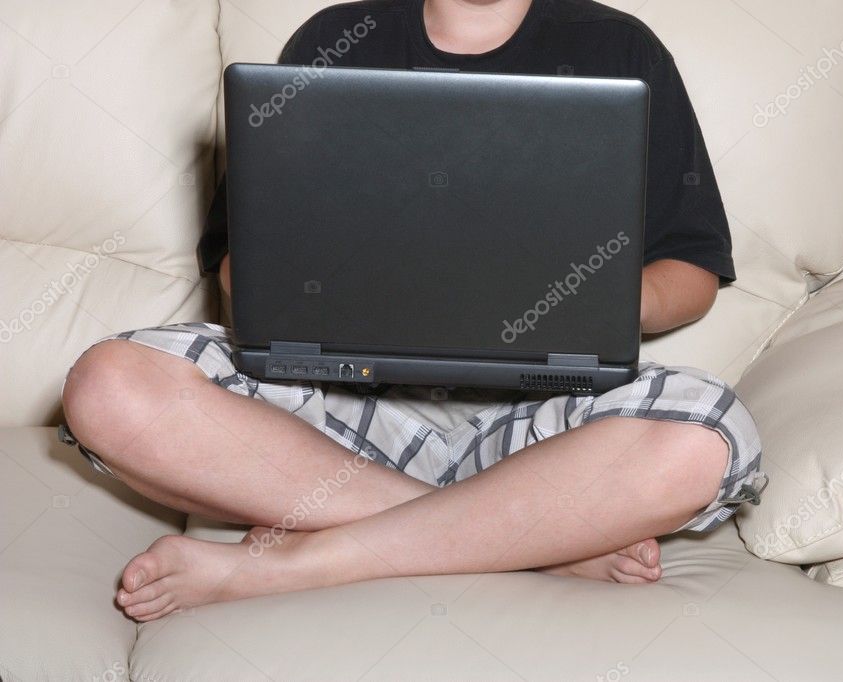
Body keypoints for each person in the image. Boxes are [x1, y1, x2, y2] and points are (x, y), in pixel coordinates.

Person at [60, 0, 766, 623]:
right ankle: (526, 539)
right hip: (334, 418)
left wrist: (602, 297)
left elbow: (693, 268)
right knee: (110, 385)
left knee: (705, 432)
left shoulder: (620, 47)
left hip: (545, 424)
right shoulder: (334, 39)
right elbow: (237, 265)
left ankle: (310, 560)